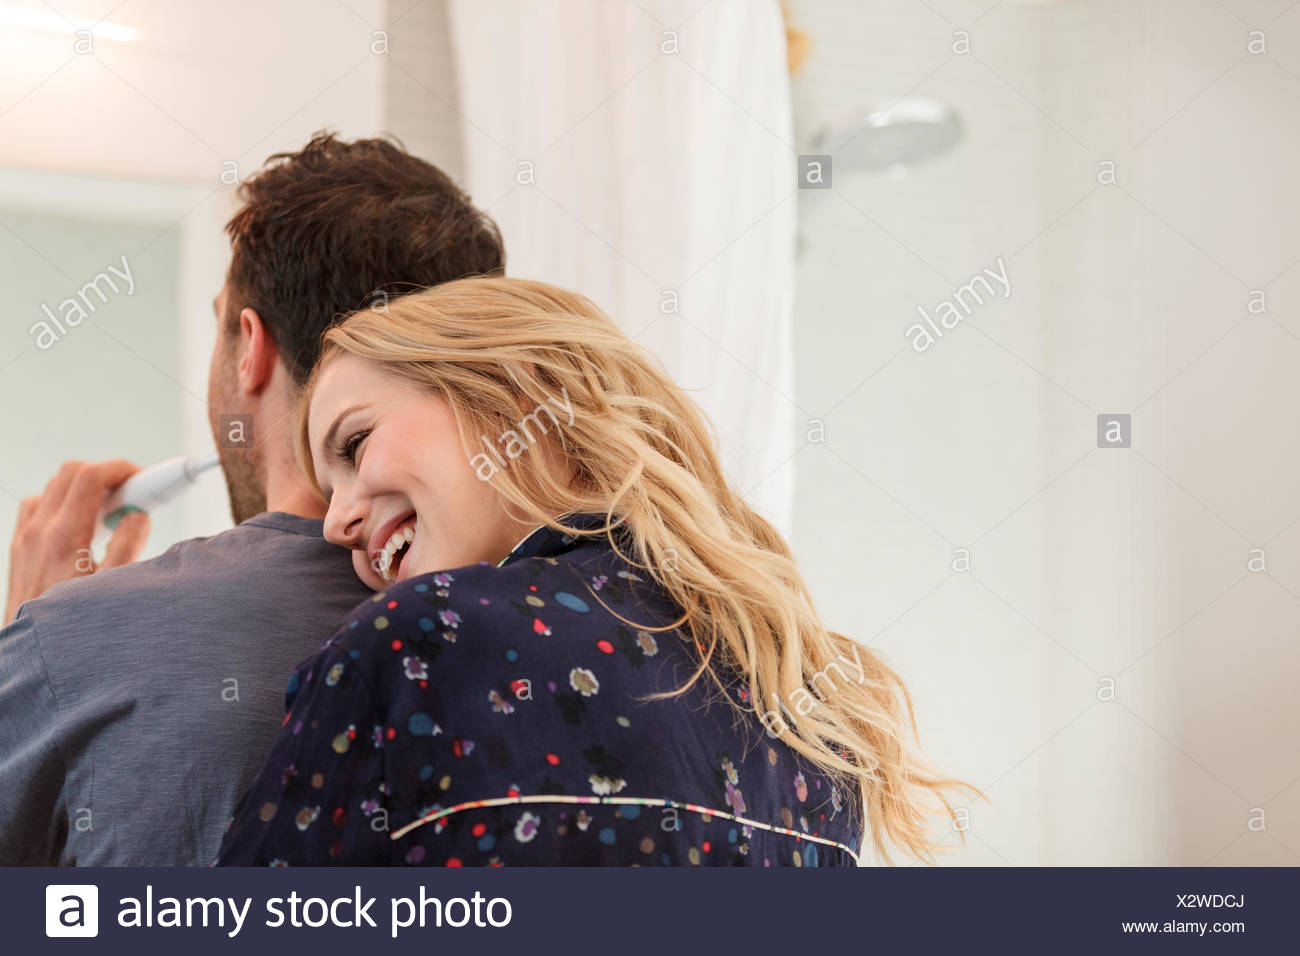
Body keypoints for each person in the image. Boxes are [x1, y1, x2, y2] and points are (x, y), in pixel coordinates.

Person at [215, 277, 980, 866]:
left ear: (519, 396)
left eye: (355, 446)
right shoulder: (810, 700)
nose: (335, 521)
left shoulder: (416, 643)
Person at [0, 133, 506, 865]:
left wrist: (40, 651)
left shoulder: (71, 645)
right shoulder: (584, 623)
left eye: (219, 323)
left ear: (249, 344)